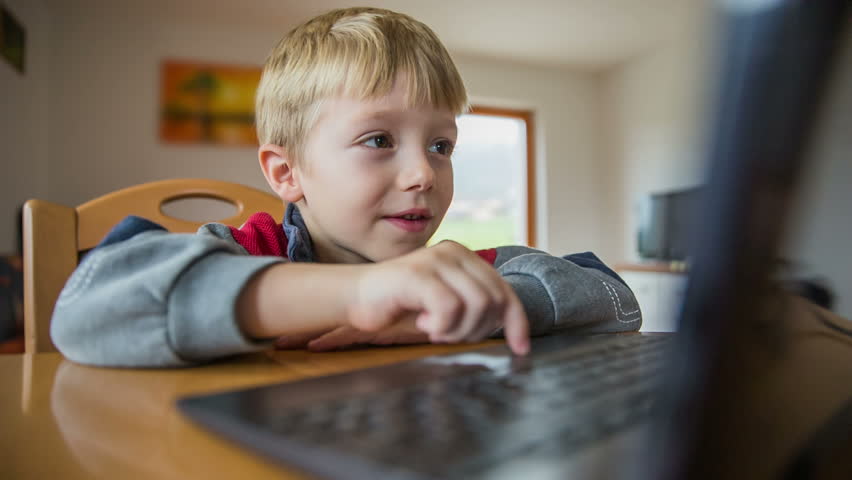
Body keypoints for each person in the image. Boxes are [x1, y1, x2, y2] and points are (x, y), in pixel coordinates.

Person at [51, 7, 641, 368]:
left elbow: (615, 297)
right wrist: (357, 293)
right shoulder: (244, 250)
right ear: (287, 174)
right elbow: (85, 309)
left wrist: (496, 308)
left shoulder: (451, 277)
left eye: (442, 146)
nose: (423, 175)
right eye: (379, 140)